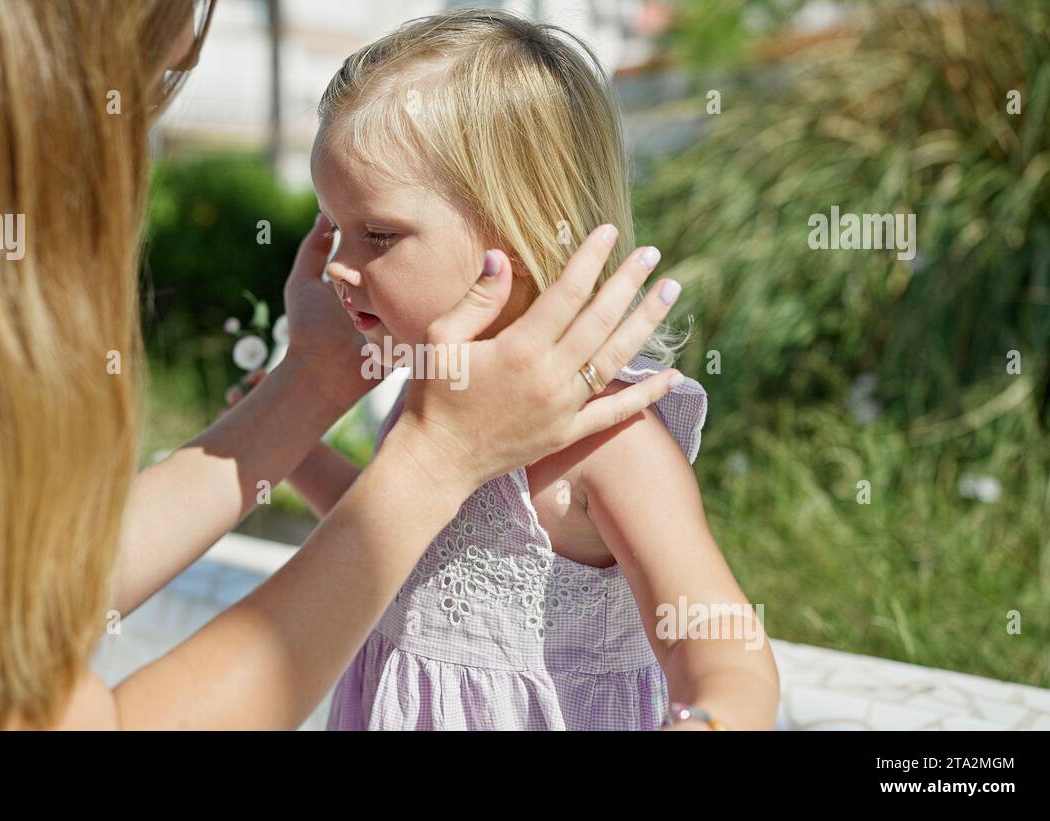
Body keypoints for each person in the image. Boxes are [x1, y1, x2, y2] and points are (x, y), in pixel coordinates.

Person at [0, 0, 684, 729]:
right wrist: (429, 461)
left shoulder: (604, 436)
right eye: (138, 89)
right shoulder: (442, 423)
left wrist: (315, 388)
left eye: (381, 233)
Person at [228, 10, 778, 730]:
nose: (335, 265)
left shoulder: (607, 436)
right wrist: (291, 443)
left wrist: (714, 713)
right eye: (333, 228)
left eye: (378, 235)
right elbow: (391, 534)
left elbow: (713, 634)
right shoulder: (439, 394)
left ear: (518, 229)